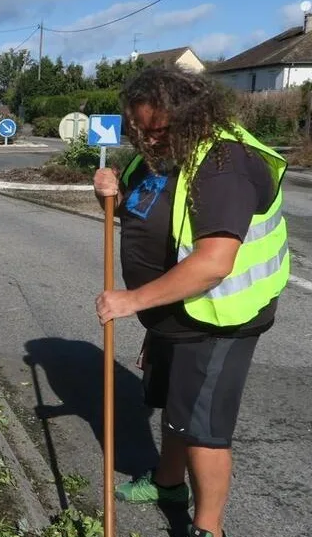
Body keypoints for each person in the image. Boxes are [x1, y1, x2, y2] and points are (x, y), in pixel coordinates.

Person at [93, 67, 289, 537]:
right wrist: (107, 195)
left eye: (157, 131)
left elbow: (214, 263)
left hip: (219, 317)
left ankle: (207, 528)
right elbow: (134, 212)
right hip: (172, 312)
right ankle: (168, 485)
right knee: (174, 406)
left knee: (202, 429)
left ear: (191, 115)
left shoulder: (225, 164)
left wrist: (132, 300)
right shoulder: (158, 157)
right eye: (139, 131)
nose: (147, 141)